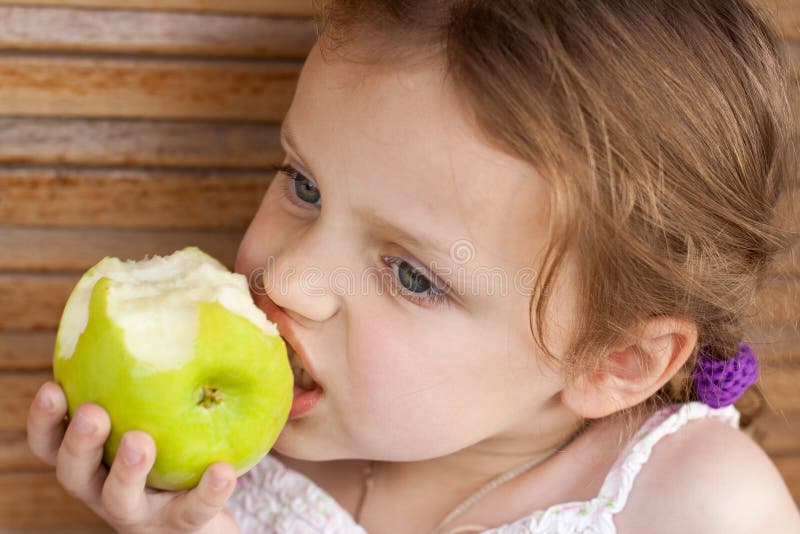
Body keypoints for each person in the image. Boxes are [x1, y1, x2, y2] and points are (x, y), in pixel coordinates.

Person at [26, 0, 800, 532]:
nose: (288, 280)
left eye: (412, 276)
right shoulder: (231, 461)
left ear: (615, 357)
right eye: (304, 186)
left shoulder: (697, 506)